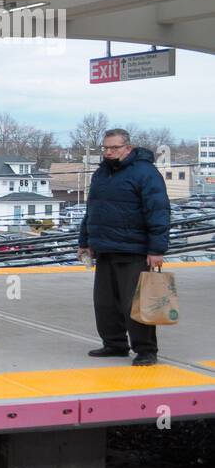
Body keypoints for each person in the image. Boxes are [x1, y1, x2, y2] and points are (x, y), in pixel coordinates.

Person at [77, 129, 169, 365]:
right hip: (105, 248)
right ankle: (115, 344)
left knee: (135, 303)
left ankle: (146, 350)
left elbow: (158, 211)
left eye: (114, 148)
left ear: (128, 148)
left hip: (134, 250)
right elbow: (92, 210)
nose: (108, 152)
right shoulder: (101, 173)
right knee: (105, 302)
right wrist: (85, 242)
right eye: (105, 148)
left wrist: (157, 250)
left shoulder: (145, 173)